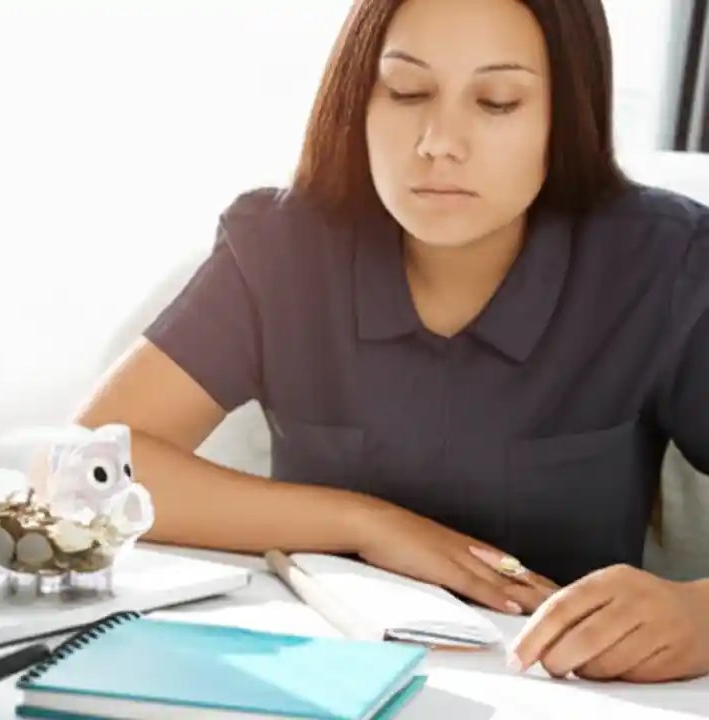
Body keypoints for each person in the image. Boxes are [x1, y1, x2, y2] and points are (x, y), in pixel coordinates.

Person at [73, 0, 709, 683]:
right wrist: (370, 526)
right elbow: (83, 473)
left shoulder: (659, 264)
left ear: (565, 117)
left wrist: (701, 614)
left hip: (561, 690)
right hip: (315, 680)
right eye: (406, 91)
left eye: (497, 102)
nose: (439, 141)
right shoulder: (285, 248)